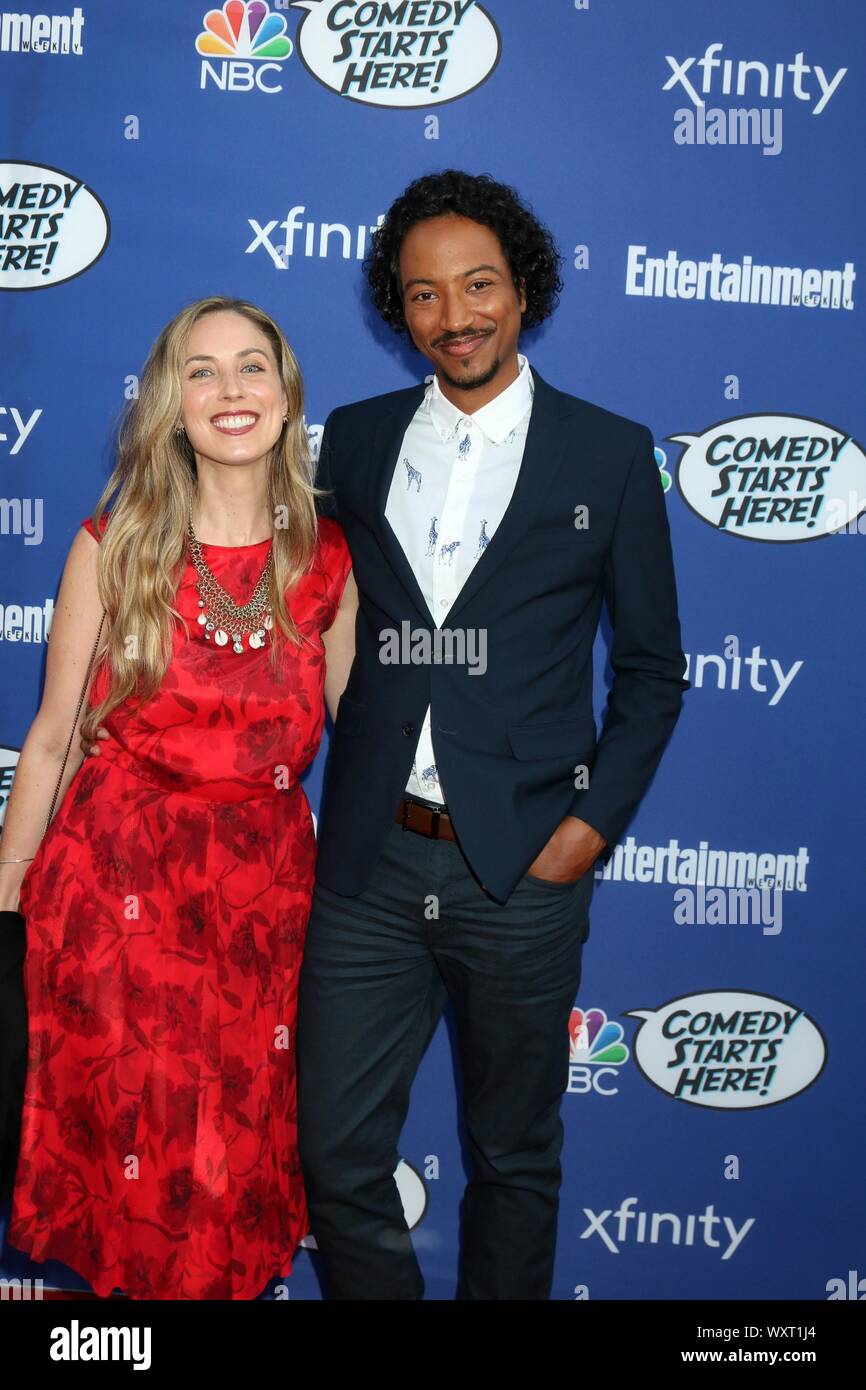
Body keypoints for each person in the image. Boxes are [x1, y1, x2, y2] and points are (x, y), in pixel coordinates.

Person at [297, 170, 689, 1300]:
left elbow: (654, 671)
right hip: (368, 862)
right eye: (422, 295)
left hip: (523, 865)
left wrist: (585, 833)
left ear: (522, 291)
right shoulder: (355, 445)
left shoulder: (607, 453)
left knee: (512, 1156)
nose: (453, 315)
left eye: (477, 286)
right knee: (334, 1154)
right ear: (396, 309)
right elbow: (299, 600)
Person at [0, 296, 356, 1299]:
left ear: (287, 398)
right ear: (170, 402)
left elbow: (366, 738)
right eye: (201, 371)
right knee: (140, 1172)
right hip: (116, 902)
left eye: (252, 366)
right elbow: (54, 737)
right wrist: (5, 896)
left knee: (234, 1167)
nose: (230, 389)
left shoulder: (326, 560)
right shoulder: (114, 545)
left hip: (264, 912)